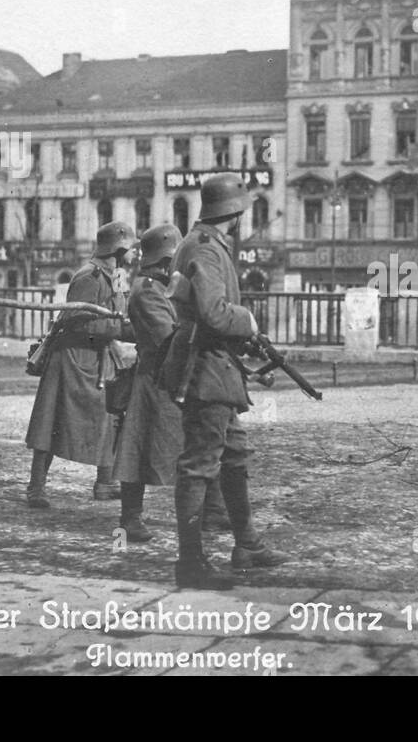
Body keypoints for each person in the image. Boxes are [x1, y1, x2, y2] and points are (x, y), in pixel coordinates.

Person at [165, 173, 289, 590]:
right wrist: (248, 320)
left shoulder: (200, 243)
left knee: (234, 455)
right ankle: (191, 564)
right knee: (199, 465)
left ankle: (247, 544)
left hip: (217, 368)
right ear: (234, 214)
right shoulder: (205, 250)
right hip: (206, 372)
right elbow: (215, 314)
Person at [25, 221, 136, 508]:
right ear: (119, 248)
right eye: (131, 248)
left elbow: (115, 315)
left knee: (108, 418)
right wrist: (124, 330)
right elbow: (76, 321)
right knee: (50, 422)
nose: (134, 253)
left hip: (97, 358)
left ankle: (105, 483)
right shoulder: (89, 276)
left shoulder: (115, 275)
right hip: (72, 358)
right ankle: (36, 488)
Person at [112, 224, 185, 543]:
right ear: (166, 261)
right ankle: (129, 518)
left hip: (164, 378)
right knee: (137, 449)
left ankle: (212, 511)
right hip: (154, 379)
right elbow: (167, 338)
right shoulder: (147, 290)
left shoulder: (160, 287)